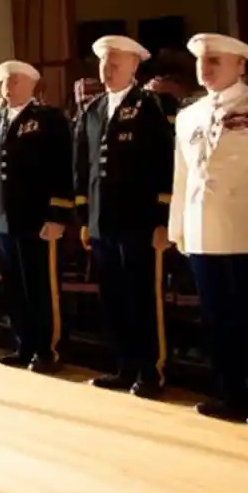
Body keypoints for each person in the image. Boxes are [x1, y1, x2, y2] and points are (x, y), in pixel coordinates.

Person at [169, 33, 248, 429]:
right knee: (216, 317)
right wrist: (178, 227)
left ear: (241, 65)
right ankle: (229, 392)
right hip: (203, 230)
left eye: (215, 60)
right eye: (201, 60)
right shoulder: (189, 115)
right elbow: (183, 177)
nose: (206, 67)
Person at [74, 35, 174, 398]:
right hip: (103, 220)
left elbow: (165, 163)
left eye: (116, 61)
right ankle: (124, 366)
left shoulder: (150, 105)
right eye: (103, 62)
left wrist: (162, 218)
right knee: (113, 297)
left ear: (134, 65)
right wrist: (85, 216)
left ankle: (150, 370)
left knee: (141, 297)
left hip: (139, 221)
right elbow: (82, 167)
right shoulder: (94, 109)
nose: (108, 68)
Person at [0, 60, 73, 374]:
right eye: (5, 82)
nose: (8, 88)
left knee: (41, 285)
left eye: (15, 82)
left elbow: (62, 166)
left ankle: (47, 350)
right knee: (15, 285)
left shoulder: (48, 119)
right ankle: (24, 345)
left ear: (32, 85)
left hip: (38, 218)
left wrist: (58, 213)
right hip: (6, 216)